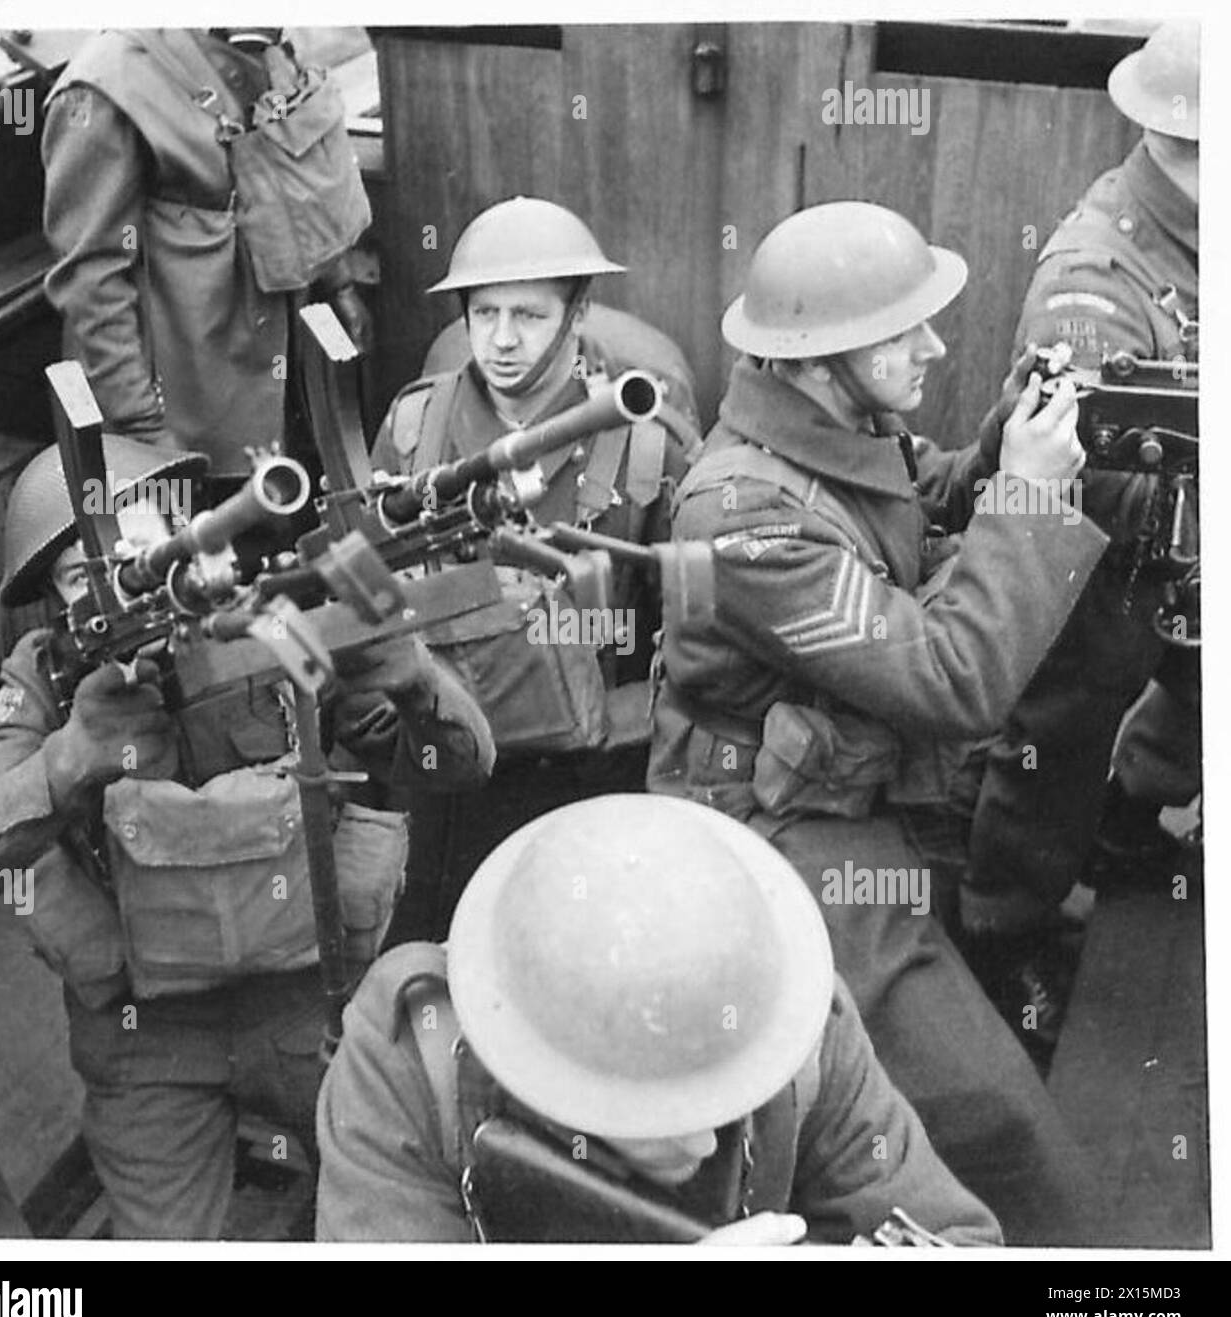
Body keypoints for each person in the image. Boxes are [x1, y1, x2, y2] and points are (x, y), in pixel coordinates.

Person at [644, 200, 1108, 1244]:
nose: (934, 345)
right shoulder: (744, 516)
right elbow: (951, 681)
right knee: (1005, 1140)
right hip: (781, 853)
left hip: (859, 816)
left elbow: (909, 494)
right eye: (903, 332)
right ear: (820, 360)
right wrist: (1027, 501)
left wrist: (996, 448)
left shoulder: (829, 429)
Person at [0, 437, 494, 1239]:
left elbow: (459, 763)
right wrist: (66, 762)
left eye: (142, 547)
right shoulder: (44, 676)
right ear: (56, 605)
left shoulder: (270, 621)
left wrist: (413, 679)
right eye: (79, 576)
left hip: (304, 1000)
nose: (122, 577)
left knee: (395, 1210)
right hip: (146, 1040)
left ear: (184, 533)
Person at [315, 794, 1002, 1245]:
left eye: (722, 1090)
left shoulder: (793, 1027)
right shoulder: (413, 1053)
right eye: (653, 1111)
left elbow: (957, 1237)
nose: (704, 1141)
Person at [369, 197, 700, 941]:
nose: (503, 340)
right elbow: (368, 585)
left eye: (529, 315)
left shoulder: (649, 451)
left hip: (589, 779)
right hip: (447, 772)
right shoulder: (415, 427)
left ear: (578, 314)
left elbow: (687, 645)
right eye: (483, 315)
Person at [960, 19, 1201, 1022]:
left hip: (1191, 546)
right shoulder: (1093, 280)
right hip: (1105, 553)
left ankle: (1135, 810)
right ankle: (1002, 927)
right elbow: (1074, 468)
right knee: (1055, 733)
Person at [41, 27, 374, 484]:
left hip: (284, 385)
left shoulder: (262, 46)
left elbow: (293, 178)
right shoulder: (105, 89)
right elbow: (91, 280)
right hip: (186, 418)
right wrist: (147, 432)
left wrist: (340, 283)